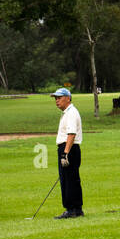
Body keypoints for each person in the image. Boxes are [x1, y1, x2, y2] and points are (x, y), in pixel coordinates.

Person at [52, 87, 84, 219]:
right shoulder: (68, 112)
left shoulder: (71, 113)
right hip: (71, 149)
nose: (57, 101)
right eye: (55, 98)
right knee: (72, 179)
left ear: (68, 98)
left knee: (68, 180)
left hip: (68, 148)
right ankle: (77, 209)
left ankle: (71, 209)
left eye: (59, 98)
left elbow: (71, 134)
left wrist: (65, 153)